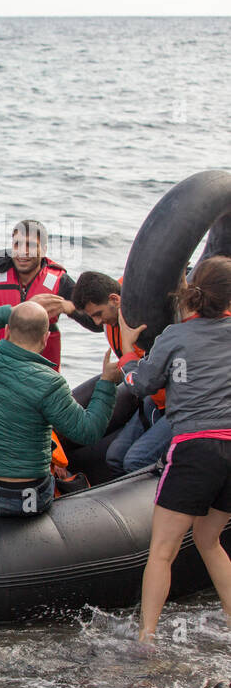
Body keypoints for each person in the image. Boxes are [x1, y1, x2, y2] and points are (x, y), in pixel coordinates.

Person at [116, 255, 231, 643]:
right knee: (209, 539)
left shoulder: (175, 337)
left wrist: (128, 353)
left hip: (196, 449)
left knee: (162, 551)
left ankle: (146, 638)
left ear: (193, 293)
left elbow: (141, 384)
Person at [0, 300, 118, 517]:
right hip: (28, 499)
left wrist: (12, 310)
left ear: (6, 331)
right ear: (45, 338)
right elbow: (88, 431)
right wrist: (107, 383)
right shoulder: (51, 382)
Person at [70, 270, 172, 474]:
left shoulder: (144, 321)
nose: (98, 323)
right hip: (154, 402)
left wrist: (127, 356)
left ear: (115, 300)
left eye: (99, 314)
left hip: (179, 405)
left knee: (136, 460)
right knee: (115, 457)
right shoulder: (111, 320)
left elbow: (148, 381)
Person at [0, 219, 88, 370]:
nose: (23, 252)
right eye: (18, 244)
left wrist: (69, 307)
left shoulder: (59, 281)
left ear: (43, 249)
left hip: (39, 373)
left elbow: (95, 320)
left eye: (31, 245)